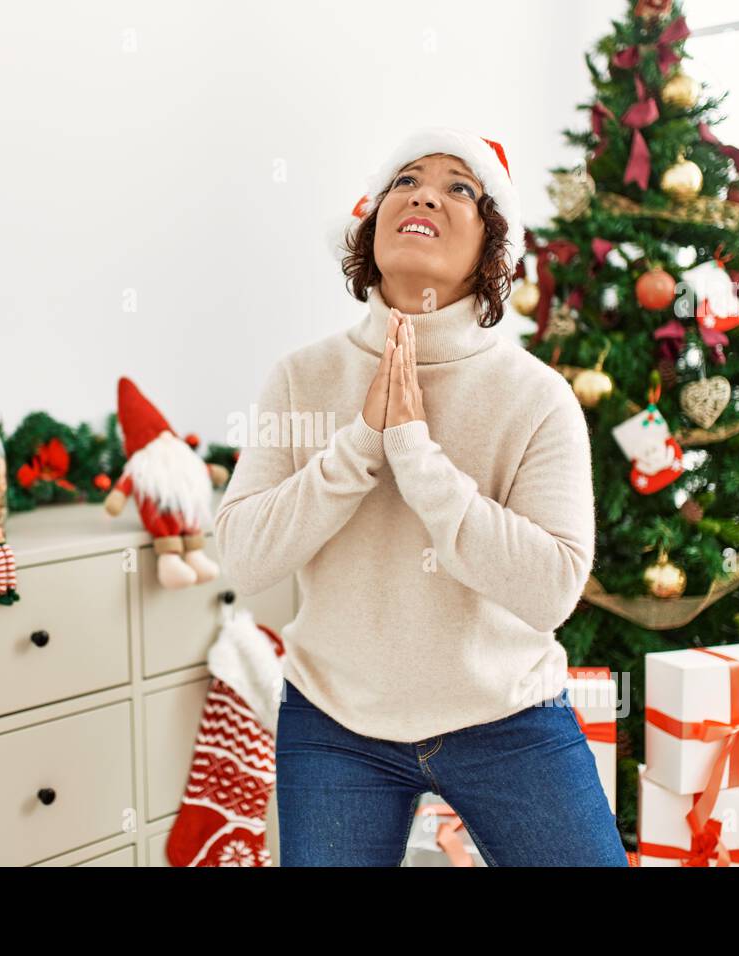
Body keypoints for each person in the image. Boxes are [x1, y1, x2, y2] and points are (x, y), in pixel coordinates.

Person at [214, 126, 626, 866]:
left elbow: (552, 589)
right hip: (335, 722)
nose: (426, 193)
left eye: (459, 186)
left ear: (491, 250)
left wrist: (415, 453)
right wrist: (359, 447)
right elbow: (242, 557)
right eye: (406, 180)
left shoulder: (537, 398)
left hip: (509, 716)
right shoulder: (299, 378)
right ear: (371, 224)